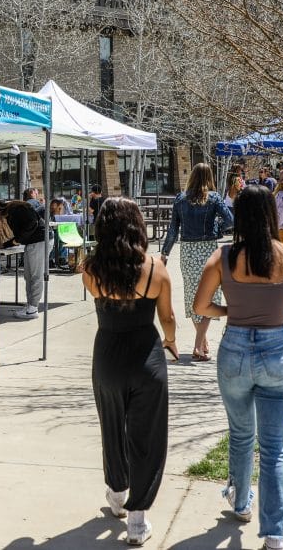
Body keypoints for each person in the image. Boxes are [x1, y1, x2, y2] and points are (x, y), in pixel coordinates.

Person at [192, 184, 283, 550]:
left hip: (235, 350)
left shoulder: (223, 257)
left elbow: (201, 306)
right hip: (277, 350)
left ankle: (241, 502)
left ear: (239, 217)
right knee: (274, 448)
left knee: (241, 434)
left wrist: (233, 311)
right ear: (272, 214)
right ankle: (275, 534)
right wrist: (273, 338)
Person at [83, 197, 177, 547]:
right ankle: (137, 520)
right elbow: (167, 317)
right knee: (147, 437)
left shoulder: (91, 269)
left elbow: (103, 298)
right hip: (146, 355)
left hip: (108, 354)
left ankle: (117, 492)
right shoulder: (155, 268)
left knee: (112, 427)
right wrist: (170, 341)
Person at [160, 162, 232, 362]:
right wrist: (216, 229)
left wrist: (165, 253)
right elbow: (230, 221)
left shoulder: (180, 199)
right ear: (209, 177)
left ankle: (201, 343)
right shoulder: (214, 198)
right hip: (208, 250)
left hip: (188, 251)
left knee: (193, 298)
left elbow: (173, 230)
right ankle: (198, 346)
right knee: (210, 298)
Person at [0, 197, 46, 320]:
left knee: (35, 276)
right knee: (29, 276)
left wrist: (17, 240)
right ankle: (31, 306)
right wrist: (6, 244)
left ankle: (33, 308)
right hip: (35, 242)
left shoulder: (17, 210)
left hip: (39, 241)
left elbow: (32, 223)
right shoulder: (15, 210)